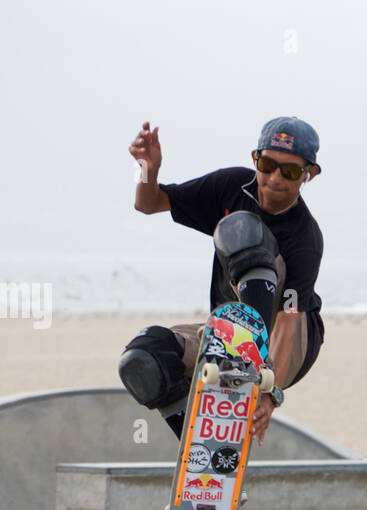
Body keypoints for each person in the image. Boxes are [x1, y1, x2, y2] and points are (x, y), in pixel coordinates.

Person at [119, 116, 325, 444]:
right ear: (255, 158)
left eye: (288, 172)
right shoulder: (231, 187)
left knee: (243, 231)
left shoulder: (304, 236)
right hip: (224, 337)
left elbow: (288, 322)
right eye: (267, 164)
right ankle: (205, 449)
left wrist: (270, 394)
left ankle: (246, 359)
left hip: (288, 340)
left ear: (308, 174)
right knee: (145, 358)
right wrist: (148, 168)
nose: (273, 179)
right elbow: (148, 203)